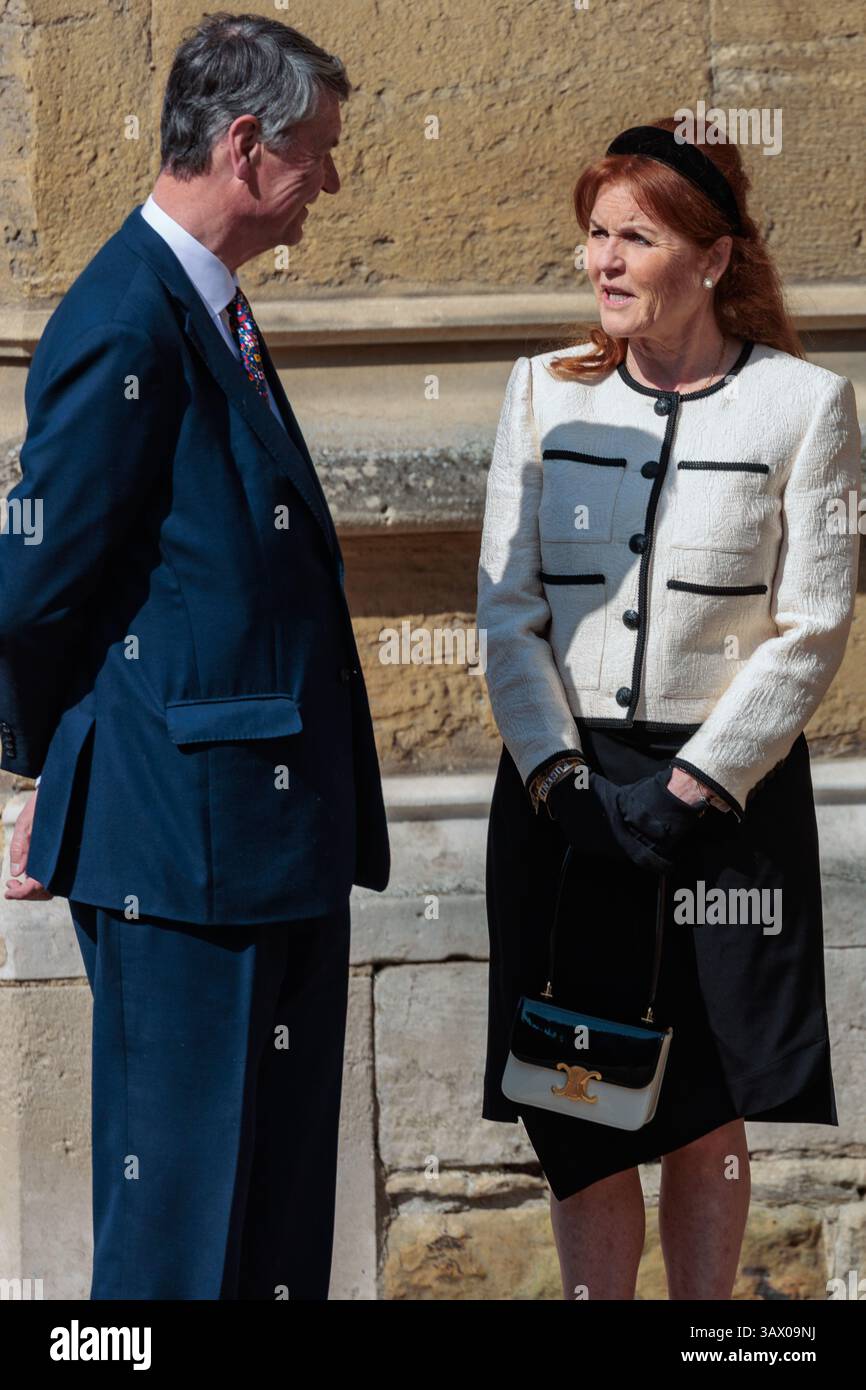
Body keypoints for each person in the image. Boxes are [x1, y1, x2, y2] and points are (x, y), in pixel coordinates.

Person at [0, 14, 389, 1300]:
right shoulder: (125, 318)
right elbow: (32, 582)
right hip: (184, 854)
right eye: (316, 152)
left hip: (264, 843)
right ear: (243, 144)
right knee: (176, 1231)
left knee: (272, 1230)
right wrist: (43, 767)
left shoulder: (207, 305)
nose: (327, 180)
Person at [477, 117, 860, 1300]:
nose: (600, 260)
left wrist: (693, 784)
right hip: (565, 792)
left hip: (724, 798)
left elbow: (812, 625)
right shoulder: (537, 391)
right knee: (573, 1092)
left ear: (708, 256)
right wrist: (559, 775)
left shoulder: (805, 404)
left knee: (704, 1097)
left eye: (631, 237)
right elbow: (505, 612)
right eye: (592, 233)